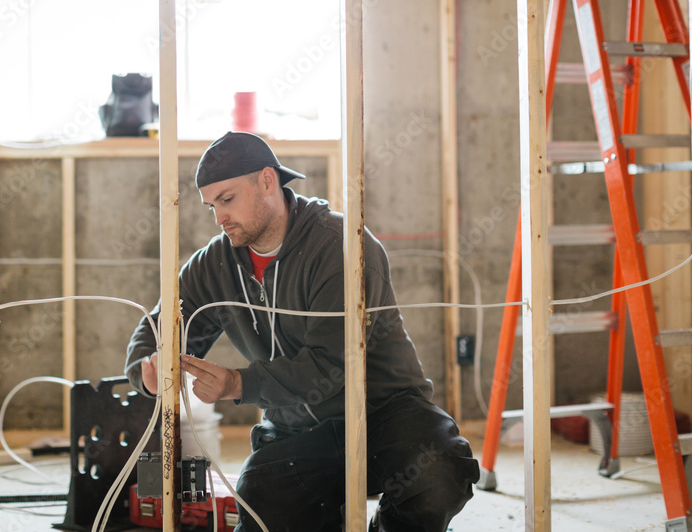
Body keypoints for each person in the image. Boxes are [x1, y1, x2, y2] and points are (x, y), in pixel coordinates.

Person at [125, 131, 479, 532]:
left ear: (267, 181)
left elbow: (331, 365)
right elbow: (153, 330)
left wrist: (238, 383)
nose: (218, 217)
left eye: (227, 199)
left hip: (384, 414)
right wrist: (148, 371)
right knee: (262, 511)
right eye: (211, 205)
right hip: (295, 430)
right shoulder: (214, 265)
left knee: (437, 474)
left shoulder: (342, 247)